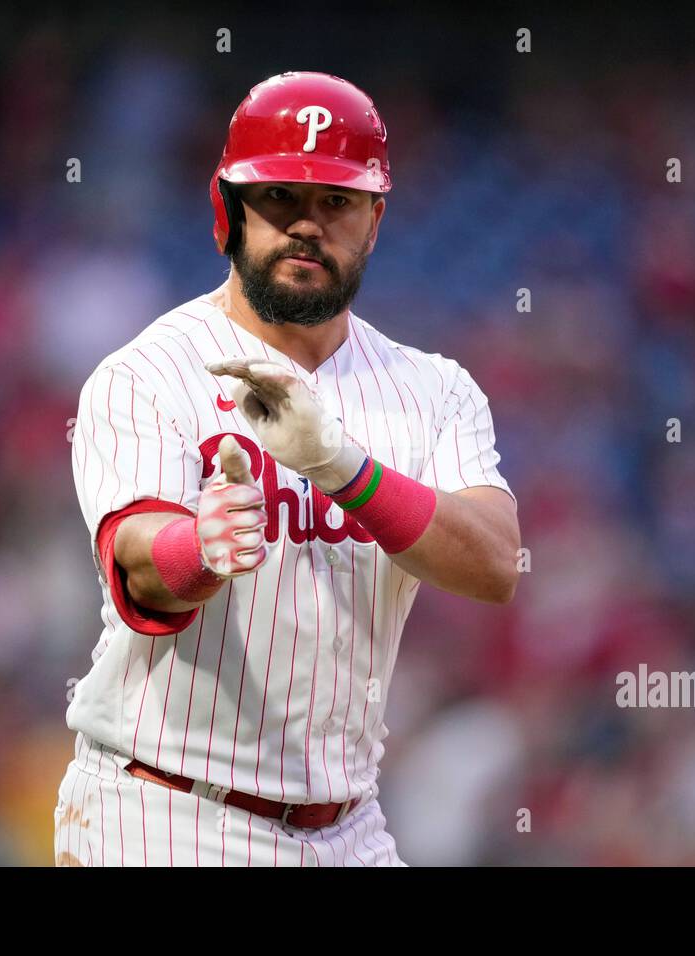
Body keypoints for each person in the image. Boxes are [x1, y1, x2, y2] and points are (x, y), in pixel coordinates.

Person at [54, 71, 520, 866]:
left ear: (375, 222)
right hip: (166, 810)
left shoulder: (434, 390)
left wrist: (338, 464)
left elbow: (494, 563)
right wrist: (197, 551)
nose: (307, 224)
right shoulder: (148, 374)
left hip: (350, 825)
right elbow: (138, 563)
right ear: (227, 211)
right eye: (279, 198)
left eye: (336, 202)